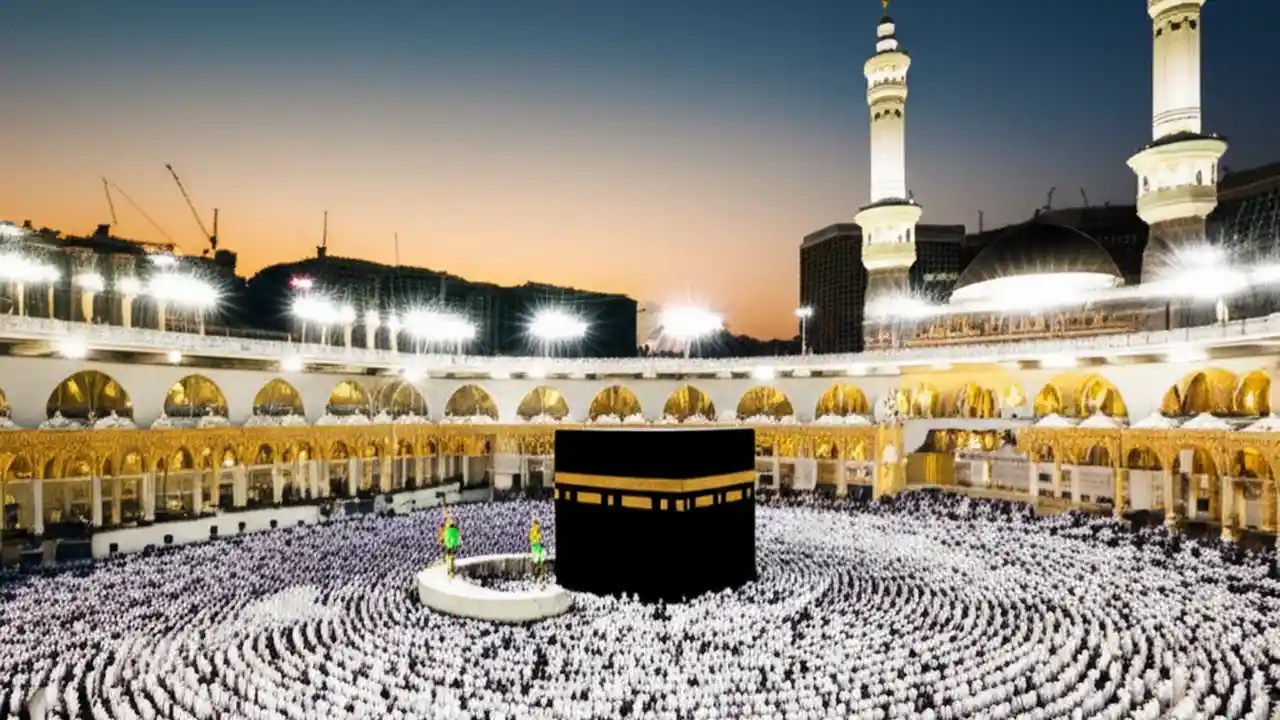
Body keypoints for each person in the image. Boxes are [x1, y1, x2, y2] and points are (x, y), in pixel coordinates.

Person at [439, 512, 461, 577]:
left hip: (449, 545)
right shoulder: (455, 530)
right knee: (451, 557)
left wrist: (443, 541)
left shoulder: (448, 530)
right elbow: (457, 538)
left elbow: (445, 538)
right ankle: (450, 570)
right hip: (453, 545)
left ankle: (450, 570)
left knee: (449, 557)